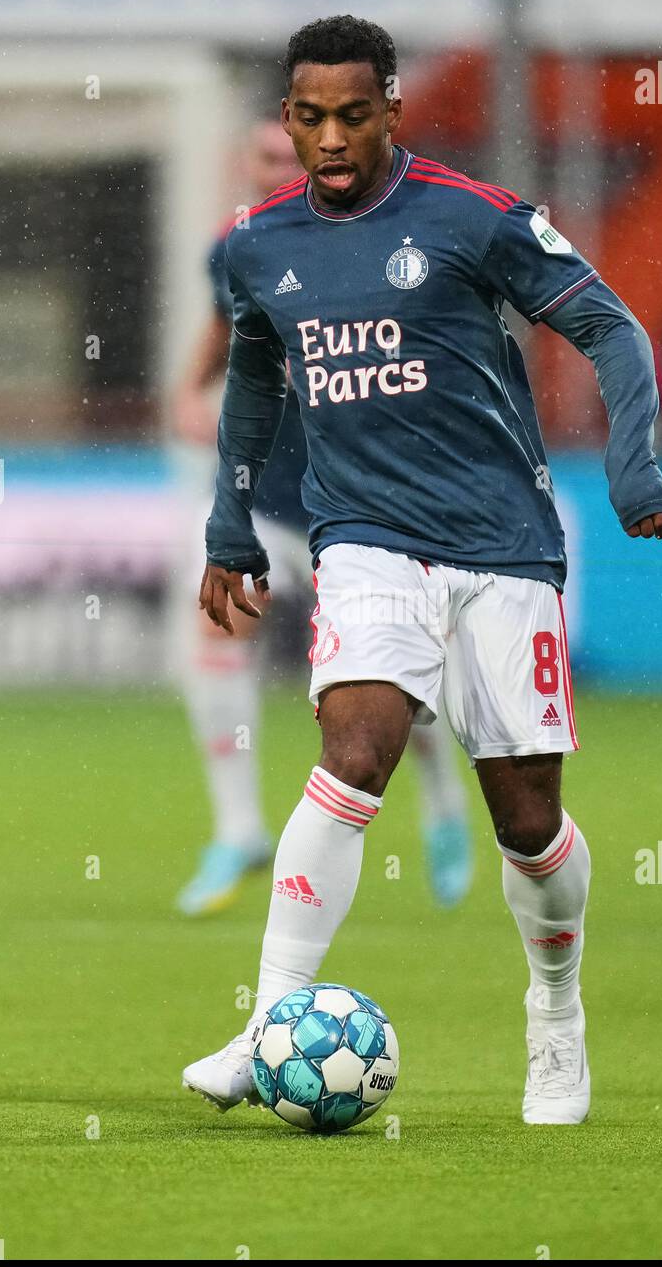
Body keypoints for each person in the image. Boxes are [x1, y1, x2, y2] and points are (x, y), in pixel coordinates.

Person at [183, 15, 662, 1125]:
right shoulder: (261, 245)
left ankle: (555, 1019)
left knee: (526, 820)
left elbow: (610, 328)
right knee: (352, 745)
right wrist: (228, 526)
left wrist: (630, 464)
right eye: (308, 117)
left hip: (501, 546)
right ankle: (270, 1022)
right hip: (361, 536)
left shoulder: (471, 218)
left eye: (351, 115)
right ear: (286, 118)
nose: (329, 138)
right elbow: (257, 386)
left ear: (391, 108)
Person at [172, 117, 473, 916]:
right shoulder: (234, 250)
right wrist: (184, 393)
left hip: (361, 500)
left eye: (289, 156)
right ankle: (238, 828)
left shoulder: (370, 243)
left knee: (394, 676)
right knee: (216, 635)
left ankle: (444, 808)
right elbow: (219, 335)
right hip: (264, 494)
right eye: (266, 156)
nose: (279, 168)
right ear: (247, 164)